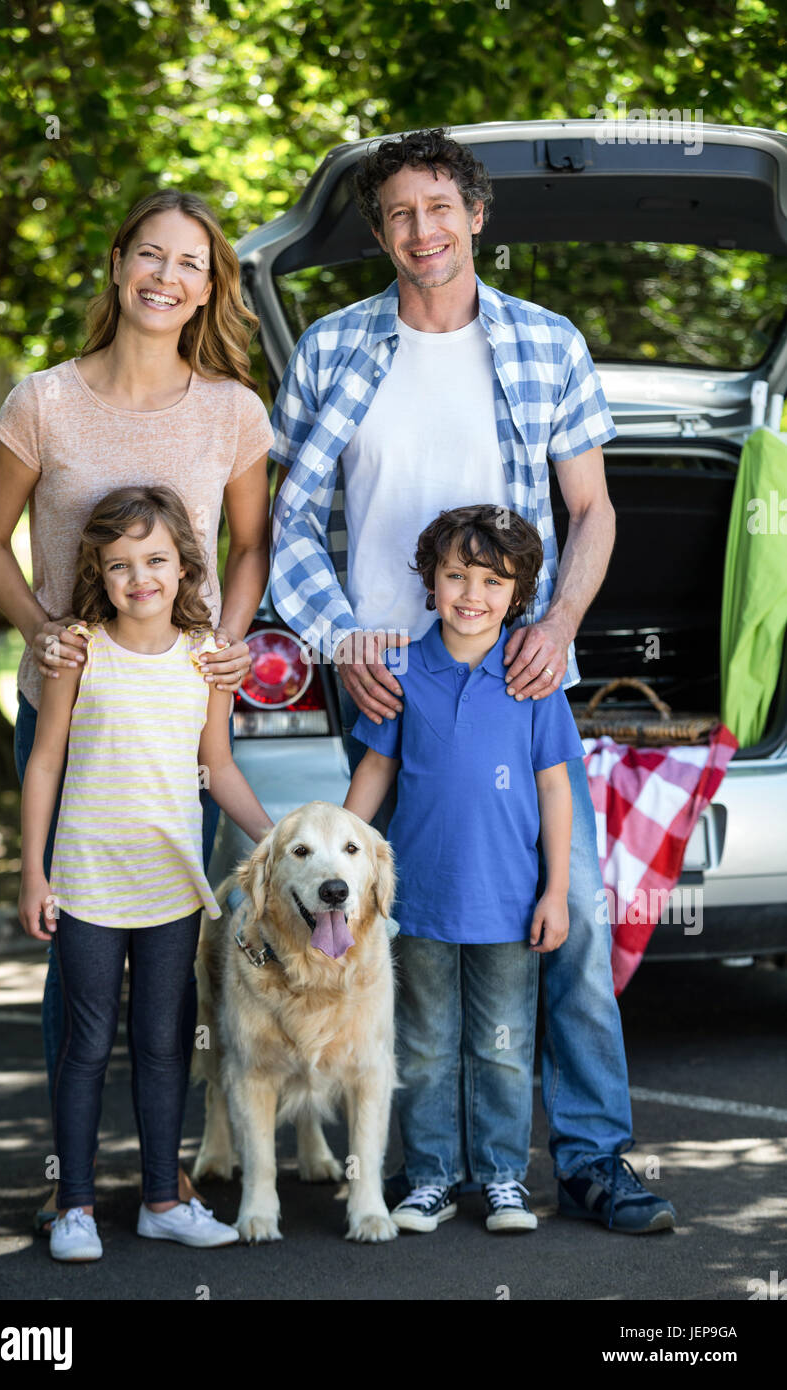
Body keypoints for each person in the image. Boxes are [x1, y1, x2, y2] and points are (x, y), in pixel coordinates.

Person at [270, 128, 676, 1233]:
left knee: (569, 918)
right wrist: (342, 633)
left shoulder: (545, 344)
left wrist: (559, 619)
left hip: (515, 680)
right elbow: (289, 517)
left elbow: (589, 511)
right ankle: (406, 1166)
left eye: (438, 208)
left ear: (475, 216)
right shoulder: (332, 347)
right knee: (379, 935)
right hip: (385, 686)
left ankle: (590, 1159)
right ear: (377, 230)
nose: (421, 231)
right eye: (398, 214)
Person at [0, 189, 273, 1231]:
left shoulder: (232, 409)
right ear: (117, 264)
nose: (168, 275)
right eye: (153, 253)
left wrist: (226, 641)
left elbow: (247, 546)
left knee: (163, 988)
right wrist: (41, 628)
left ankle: (159, 1180)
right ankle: (73, 1182)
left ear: (207, 287)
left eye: (191, 262)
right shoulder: (43, 401)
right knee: (80, 965)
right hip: (69, 699)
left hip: (173, 700)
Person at [19, 484, 274, 1261]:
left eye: (156, 559)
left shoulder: (207, 660)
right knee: (88, 1043)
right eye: (121, 564)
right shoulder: (77, 650)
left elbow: (218, 766)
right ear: (98, 569)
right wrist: (33, 873)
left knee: (166, 1043)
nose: (141, 578)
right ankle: (76, 1209)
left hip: (172, 887)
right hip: (88, 881)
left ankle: (164, 1197)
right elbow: (45, 761)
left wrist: (273, 839)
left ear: (185, 565)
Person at [345, 505, 581, 1233]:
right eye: (456, 576)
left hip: (509, 907)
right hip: (417, 905)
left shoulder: (532, 677)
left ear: (519, 595)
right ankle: (430, 1179)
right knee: (421, 1046)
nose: (471, 594)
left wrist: (558, 891)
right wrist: (342, 869)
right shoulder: (403, 670)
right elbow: (376, 772)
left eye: (491, 580)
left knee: (504, 1049)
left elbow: (554, 788)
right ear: (430, 581)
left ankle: (505, 1178)